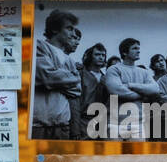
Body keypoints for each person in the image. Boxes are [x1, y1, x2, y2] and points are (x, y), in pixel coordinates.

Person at [31, 9, 82, 139]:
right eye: (69, 28)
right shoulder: (39, 47)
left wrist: (57, 79)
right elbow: (47, 77)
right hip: (39, 125)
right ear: (54, 29)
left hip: (62, 125)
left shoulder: (69, 59)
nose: (73, 33)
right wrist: (72, 78)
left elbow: (77, 90)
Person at [104, 38, 162, 140]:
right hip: (115, 123)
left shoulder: (143, 72)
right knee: (114, 156)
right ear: (124, 52)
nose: (138, 51)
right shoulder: (114, 69)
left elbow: (155, 89)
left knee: (137, 156)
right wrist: (142, 94)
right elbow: (116, 90)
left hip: (137, 124)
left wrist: (131, 85)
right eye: (134, 48)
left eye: (139, 48)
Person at [73, 43, 109, 138]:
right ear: (90, 56)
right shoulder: (80, 74)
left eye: (103, 55)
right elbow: (75, 103)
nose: (101, 57)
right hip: (84, 120)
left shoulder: (106, 78)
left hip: (102, 121)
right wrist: (75, 128)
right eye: (97, 54)